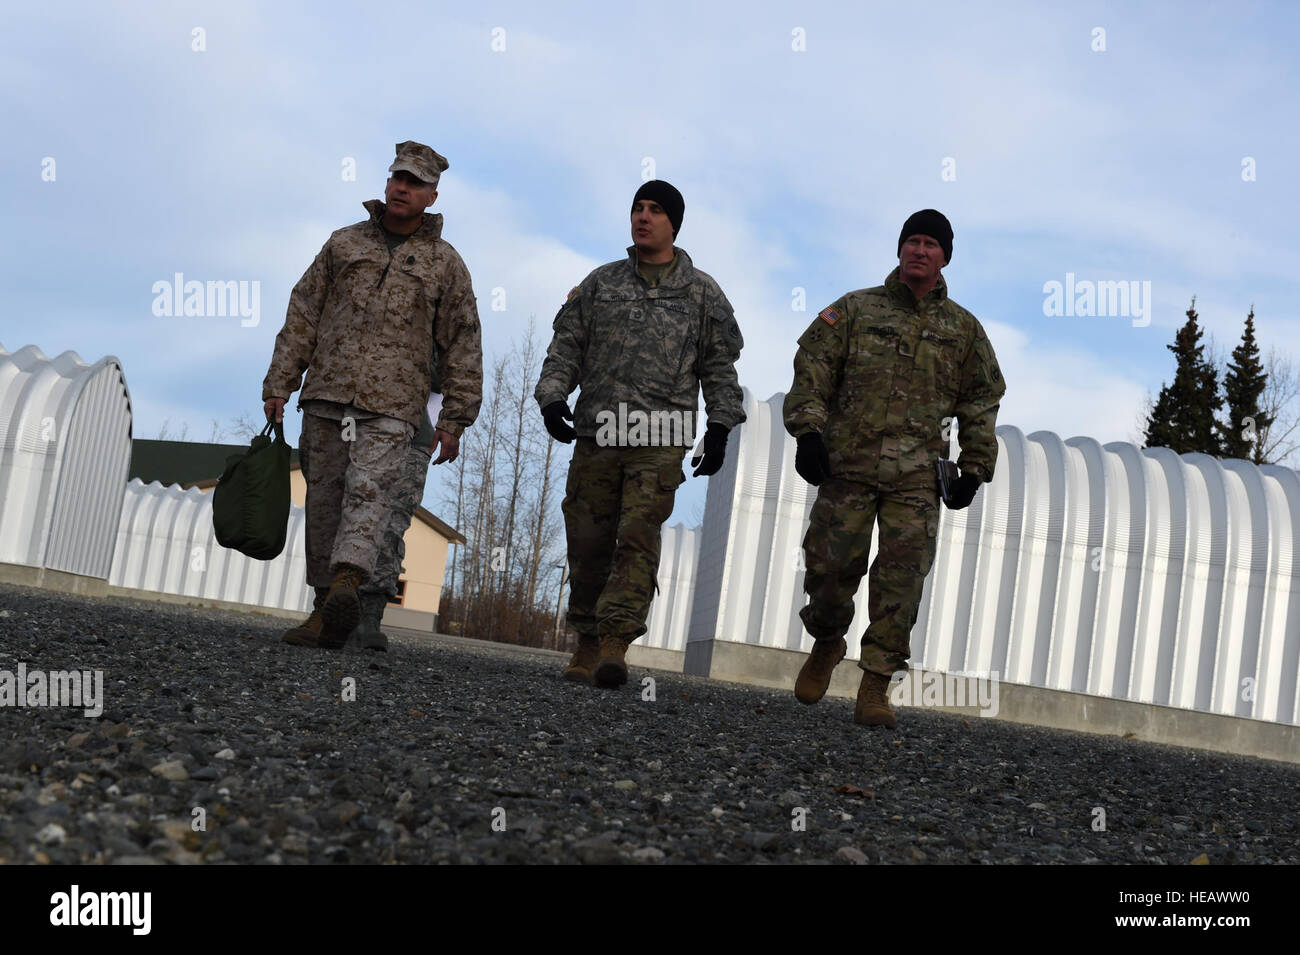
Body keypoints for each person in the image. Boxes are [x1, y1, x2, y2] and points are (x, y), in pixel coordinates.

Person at [784, 209, 1004, 727]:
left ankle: (876, 685)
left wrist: (974, 467)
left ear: (945, 256)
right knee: (828, 569)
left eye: (930, 243)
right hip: (849, 466)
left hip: (916, 480)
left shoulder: (964, 331)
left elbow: (982, 399)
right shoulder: (855, 310)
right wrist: (809, 432)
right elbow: (813, 368)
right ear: (900, 248)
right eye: (912, 241)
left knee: (900, 585)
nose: (919, 250)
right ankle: (827, 639)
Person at [263, 141, 482, 649]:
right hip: (327, 396)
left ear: (432, 195)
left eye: (415, 183)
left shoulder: (445, 264)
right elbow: (303, 314)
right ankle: (324, 610)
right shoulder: (343, 244)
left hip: (392, 408)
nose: (402, 187)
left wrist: (455, 417)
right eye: (397, 178)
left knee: (369, 496)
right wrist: (280, 381)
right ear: (387, 184)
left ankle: (347, 583)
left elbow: (463, 341)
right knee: (324, 503)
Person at [536, 180, 745, 688]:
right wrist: (552, 396)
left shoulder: (702, 293)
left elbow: (720, 367)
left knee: (635, 538)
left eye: (654, 210)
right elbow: (567, 344)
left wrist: (719, 426)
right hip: (599, 433)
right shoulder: (601, 284)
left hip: (661, 437)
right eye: (637, 208)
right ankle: (585, 641)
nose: (643, 217)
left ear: (674, 223)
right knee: (588, 541)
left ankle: (613, 645)